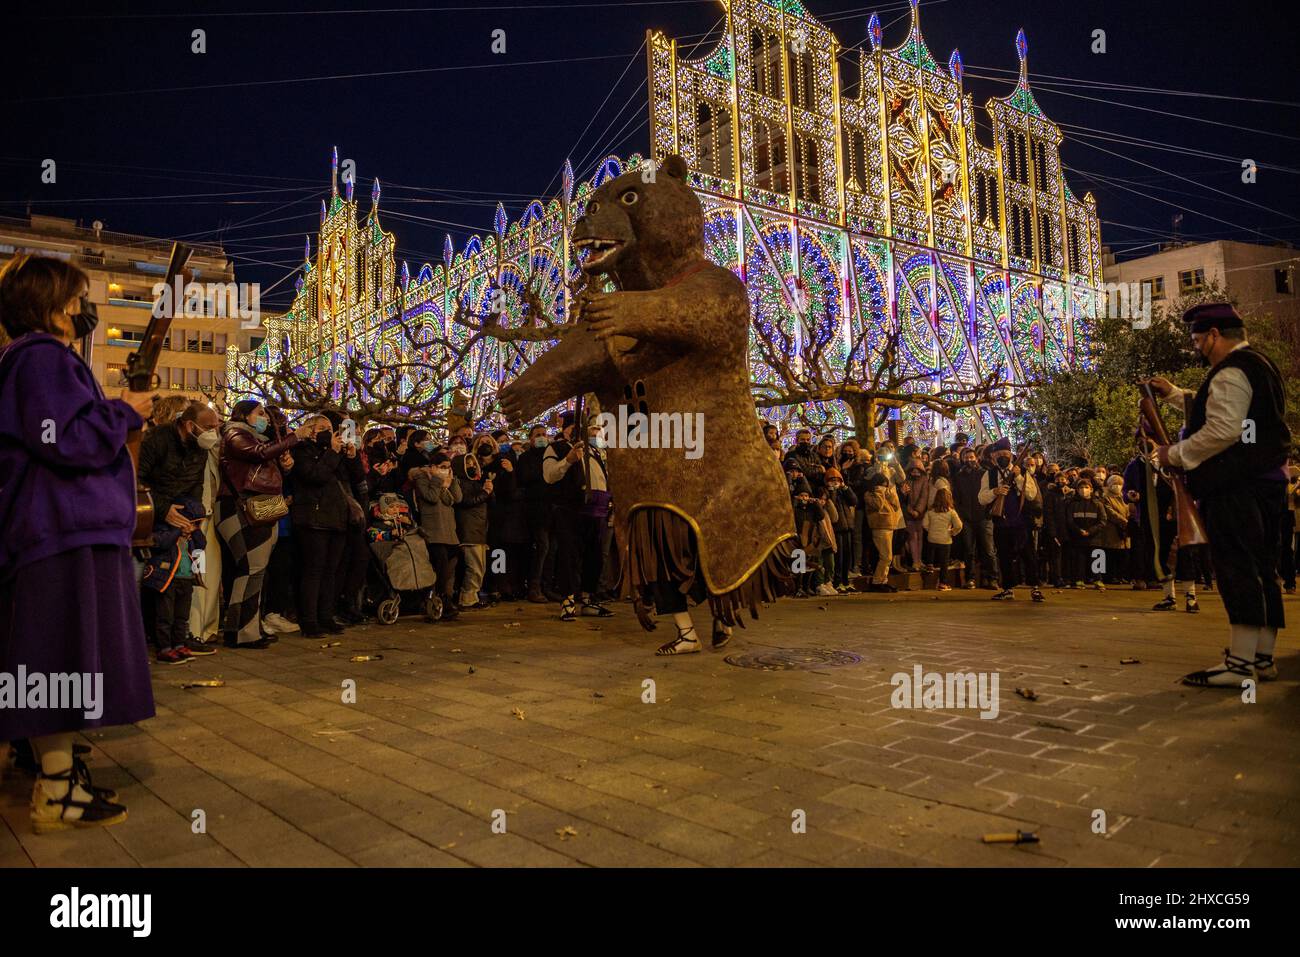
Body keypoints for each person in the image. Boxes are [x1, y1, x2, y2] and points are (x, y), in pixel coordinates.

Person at [0, 253, 156, 831]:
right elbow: (64, 440)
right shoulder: (40, 359)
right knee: (58, 659)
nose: (81, 309)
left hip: (57, 529)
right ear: (50, 305)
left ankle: (53, 776)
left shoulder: (30, 359)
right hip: (61, 531)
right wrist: (125, 412)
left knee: (54, 662)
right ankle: (57, 790)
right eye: (74, 297)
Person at [1151, 302, 1291, 686]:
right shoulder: (1258, 366)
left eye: (1198, 340)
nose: (1197, 348)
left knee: (1237, 567)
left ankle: (1240, 665)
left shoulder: (1231, 372)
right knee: (1264, 569)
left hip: (1235, 487)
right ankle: (1261, 658)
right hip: (1266, 483)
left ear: (1214, 335)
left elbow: (1223, 428)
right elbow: (1228, 410)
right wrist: (1176, 395)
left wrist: (1173, 453)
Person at [138, 400, 221, 658]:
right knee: (154, 582)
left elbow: (195, 484)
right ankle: (155, 640)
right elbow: (137, 478)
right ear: (189, 425)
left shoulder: (199, 447)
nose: (213, 434)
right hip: (151, 514)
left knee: (184, 584)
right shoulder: (156, 440)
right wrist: (163, 509)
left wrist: (191, 517)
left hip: (182, 517)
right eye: (208, 427)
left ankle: (180, 637)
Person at [217, 399, 301, 648]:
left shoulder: (258, 439)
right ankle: (242, 631)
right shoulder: (235, 433)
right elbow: (258, 455)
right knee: (250, 568)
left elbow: (264, 465)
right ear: (244, 415)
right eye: (260, 413)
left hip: (261, 505)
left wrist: (285, 466)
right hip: (240, 506)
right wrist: (296, 437)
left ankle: (247, 627)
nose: (264, 418)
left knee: (257, 570)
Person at [289, 414, 361, 638]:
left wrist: (351, 457)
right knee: (314, 570)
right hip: (313, 517)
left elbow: (355, 478)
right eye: (322, 428)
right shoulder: (302, 451)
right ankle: (309, 620)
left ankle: (326, 615)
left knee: (331, 571)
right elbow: (315, 475)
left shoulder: (335, 453)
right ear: (309, 430)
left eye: (330, 428)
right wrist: (331, 452)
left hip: (336, 517)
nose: (328, 432)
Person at [978, 437, 1044, 602]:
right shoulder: (989, 474)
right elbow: (981, 498)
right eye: (998, 453)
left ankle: (1035, 588)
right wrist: (995, 491)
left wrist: (1018, 478)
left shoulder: (1021, 472)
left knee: (1029, 555)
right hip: (1001, 522)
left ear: (1011, 454)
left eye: (1005, 453)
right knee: (1004, 556)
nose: (1002, 456)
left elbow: (1031, 494)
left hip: (1022, 521)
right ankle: (1008, 588)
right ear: (994, 456)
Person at [411, 452, 462, 620]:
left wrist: (451, 481)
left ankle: (444, 598)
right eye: (442, 467)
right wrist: (439, 480)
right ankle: (440, 602)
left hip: (449, 532)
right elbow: (431, 497)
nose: (445, 470)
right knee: (439, 567)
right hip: (433, 531)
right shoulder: (423, 478)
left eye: (448, 468)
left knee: (449, 567)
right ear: (432, 467)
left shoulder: (446, 481)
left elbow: (456, 498)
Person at [862, 472, 901, 592]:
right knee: (886, 556)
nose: (884, 488)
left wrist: (890, 494)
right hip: (879, 527)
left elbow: (896, 506)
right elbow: (878, 506)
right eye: (881, 485)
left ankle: (883, 580)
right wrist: (879, 492)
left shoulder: (886, 494)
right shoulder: (870, 494)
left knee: (888, 557)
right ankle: (877, 582)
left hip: (890, 526)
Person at [923, 487, 963, 590]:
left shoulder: (930, 511)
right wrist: (952, 532)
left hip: (932, 538)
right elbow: (959, 525)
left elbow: (924, 524)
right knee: (944, 563)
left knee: (931, 548)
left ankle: (929, 564)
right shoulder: (951, 512)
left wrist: (931, 530)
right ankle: (942, 584)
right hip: (945, 540)